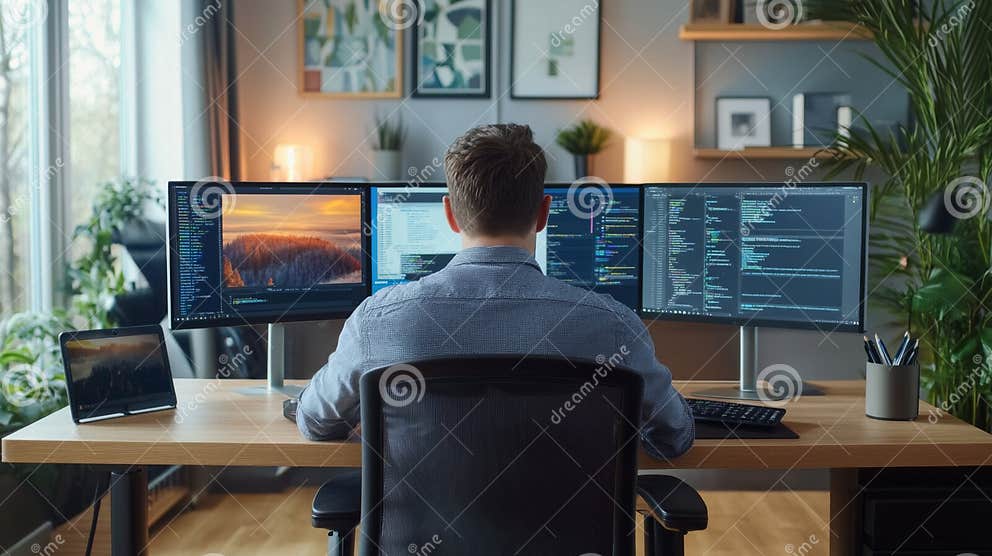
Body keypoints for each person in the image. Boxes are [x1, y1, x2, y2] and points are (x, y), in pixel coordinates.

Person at [296, 123, 694, 459]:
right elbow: (674, 437)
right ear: (544, 213)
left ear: (450, 213)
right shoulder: (613, 326)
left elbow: (316, 422)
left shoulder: (378, 322)